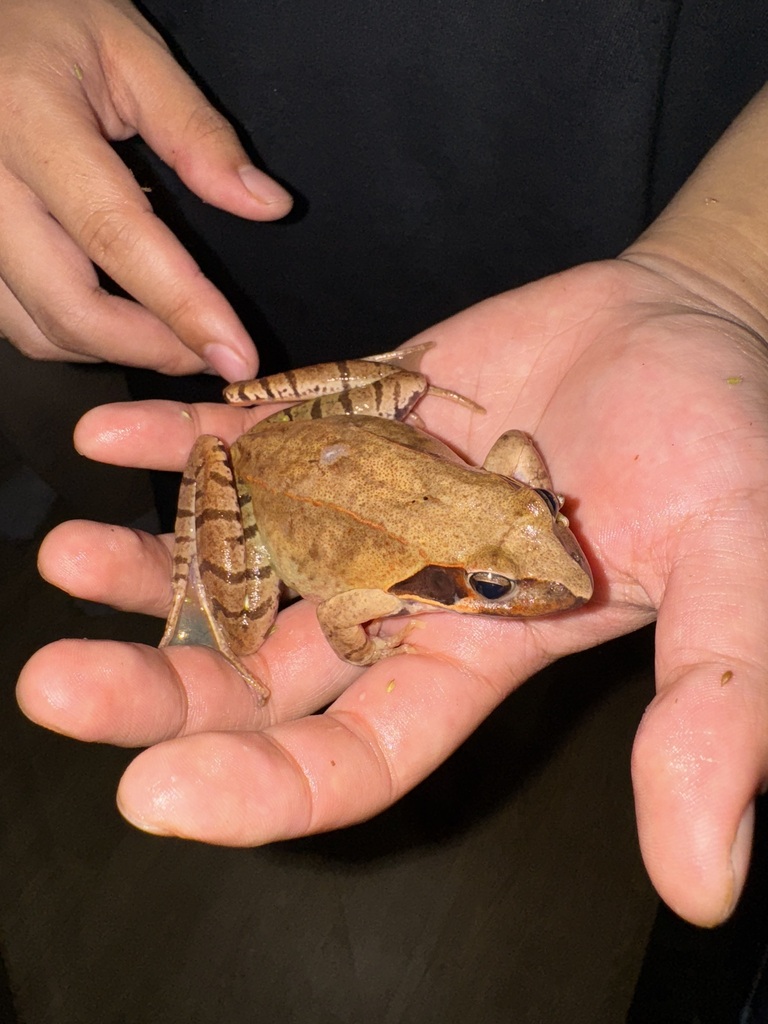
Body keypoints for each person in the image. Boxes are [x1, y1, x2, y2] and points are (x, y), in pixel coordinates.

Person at [5, 0, 768, 935]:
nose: (561, 574)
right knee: (242, 629)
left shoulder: (519, 508)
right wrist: (381, 633)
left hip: (351, 397)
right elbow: (339, 613)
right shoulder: (420, 561)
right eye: (495, 588)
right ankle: (205, 600)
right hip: (269, 450)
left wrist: (717, 279)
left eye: (545, 526)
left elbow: (508, 470)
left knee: (394, 389)